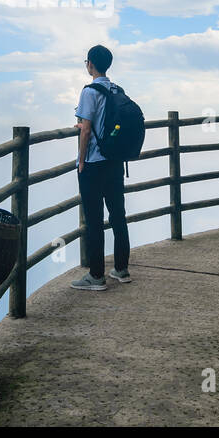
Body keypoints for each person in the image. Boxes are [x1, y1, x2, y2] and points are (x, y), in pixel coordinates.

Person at [70, 44, 131, 291]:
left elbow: (86, 128)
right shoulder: (118, 90)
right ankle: (121, 269)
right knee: (118, 215)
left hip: (95, 164)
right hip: (115, 162)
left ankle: (96, 276)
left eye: (87, 62)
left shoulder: (89, 91)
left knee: (94, 220)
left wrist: (81, 160)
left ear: (90, 64)